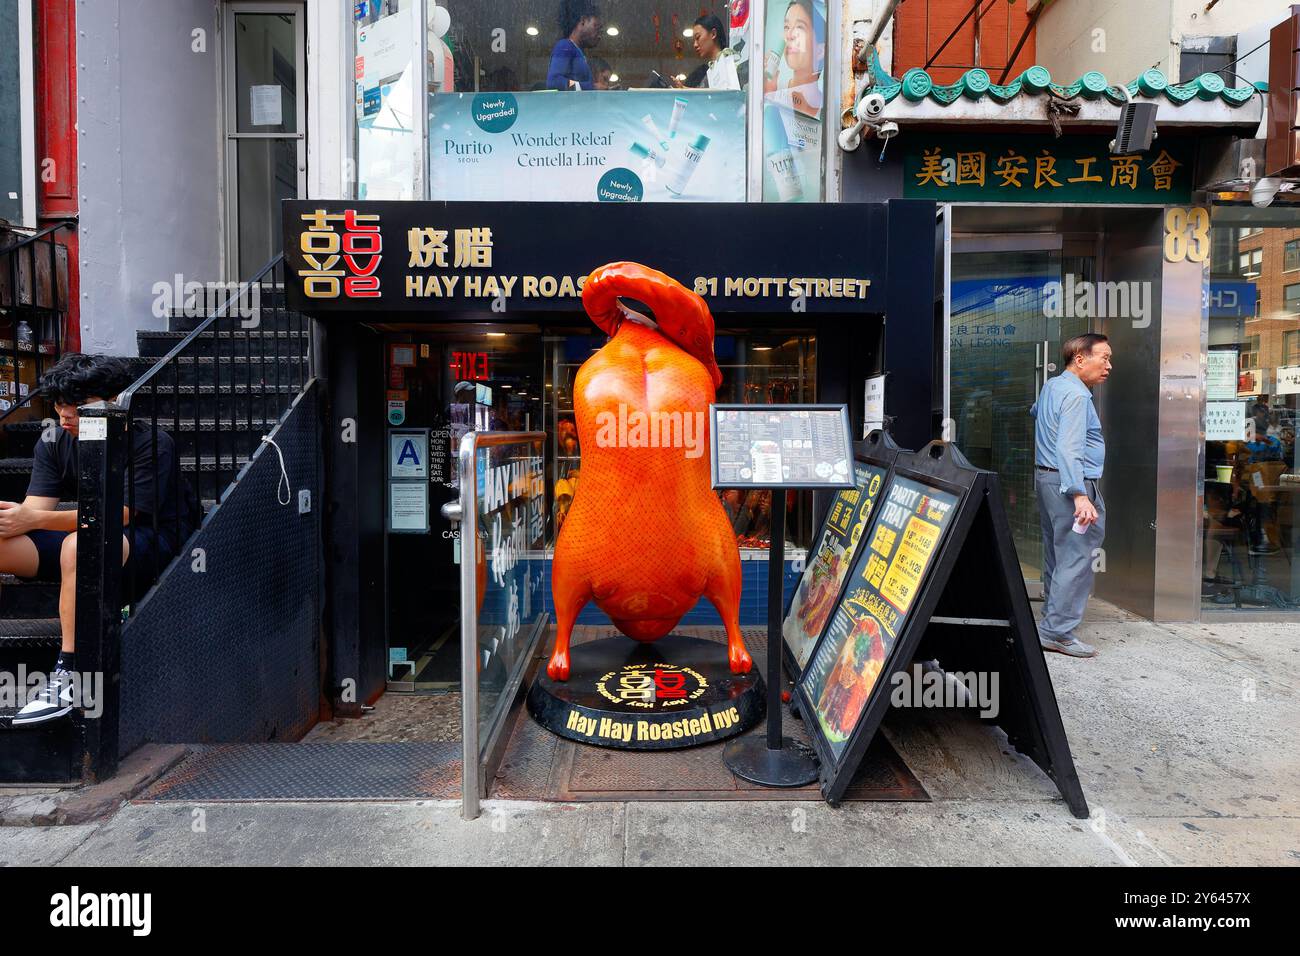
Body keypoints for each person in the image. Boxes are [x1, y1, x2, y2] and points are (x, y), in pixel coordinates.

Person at [1, 354, 191, 725]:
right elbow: (35, 510)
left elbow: (120, 514)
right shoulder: (55, 440)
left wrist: (33, 518)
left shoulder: (151, 441)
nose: (65, 416)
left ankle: (70, 674)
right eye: (58, 405)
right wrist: (12, 519)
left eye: (78, 406)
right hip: (92, 536)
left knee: (81, 543)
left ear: (114, 401)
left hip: (153, 539)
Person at [1031, 333, 1111, 658]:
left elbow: (1035, 411)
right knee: (1077, 557)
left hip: (1046, 480)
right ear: (1080, 359)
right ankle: (1057, 632)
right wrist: (1080, 495)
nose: (1109, 365)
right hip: (1070, 485)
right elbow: (1069, 447)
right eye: (1103, 357)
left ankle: (1051, 621)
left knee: (1058, 554)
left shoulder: (1052, 386)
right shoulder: (1078, 397)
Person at [547, 0, 602, 91]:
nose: (599, 35)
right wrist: (591, 87)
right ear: (583, 21)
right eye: (595, 26)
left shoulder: (578, 52)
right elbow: (554, 82)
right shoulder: (565, 46)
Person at [680, 14, 740, 90]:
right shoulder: (709, 72)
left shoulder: (731, 62)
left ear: (713, 34)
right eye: (694, 40)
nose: (695, 44)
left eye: (698, 37)